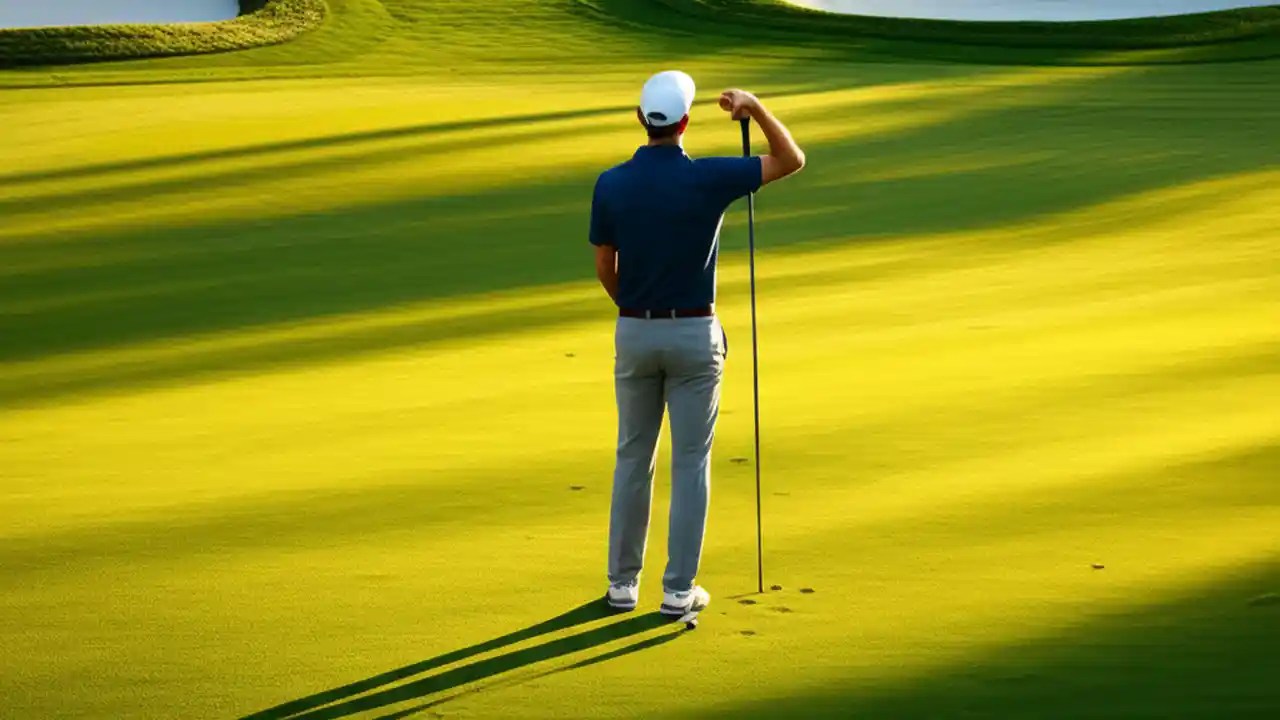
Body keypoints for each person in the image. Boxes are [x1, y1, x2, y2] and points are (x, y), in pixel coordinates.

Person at [589, 70, 805, 615]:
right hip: (694, 334)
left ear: (643, 121)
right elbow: (791, 159)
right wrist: (753, 107)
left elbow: (604, 268)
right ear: (685, 122)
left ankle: (621, 585)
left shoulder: (611, 183)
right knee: (690, 462)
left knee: (632, 457)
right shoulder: (709, 177)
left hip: (633, 330)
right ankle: (678, 591)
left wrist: (636, 311)